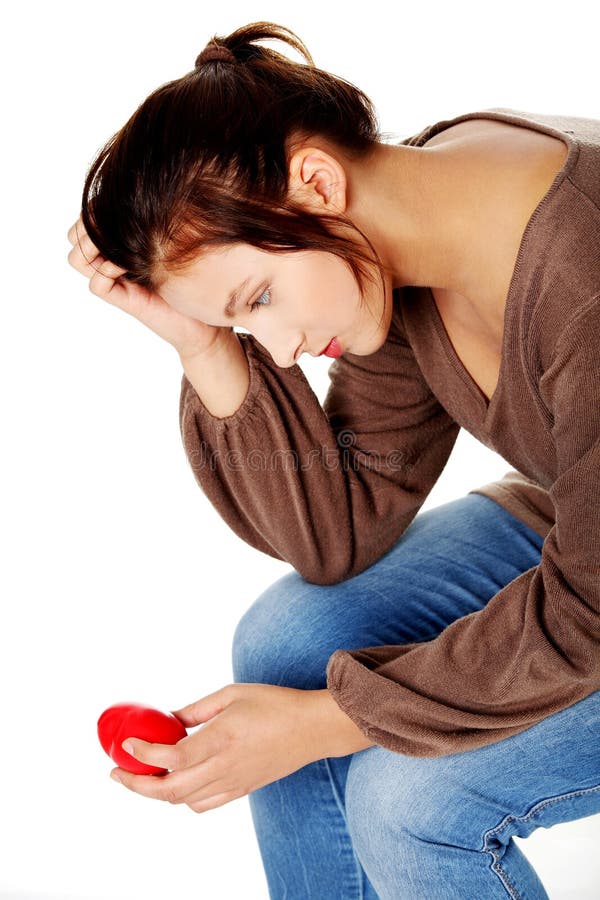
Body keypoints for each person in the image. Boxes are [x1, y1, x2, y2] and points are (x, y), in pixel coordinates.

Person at [67, 19, 600, 900]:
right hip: (578, 538)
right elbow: (338, 533)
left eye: (259, 300)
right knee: (287, 642)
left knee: (410, 799)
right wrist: (205, 348)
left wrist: (333, 721)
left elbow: (586, 612)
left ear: (315, 180)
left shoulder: (582, 276)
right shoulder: (404, 227)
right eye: (249, 323)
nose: (279, 351)